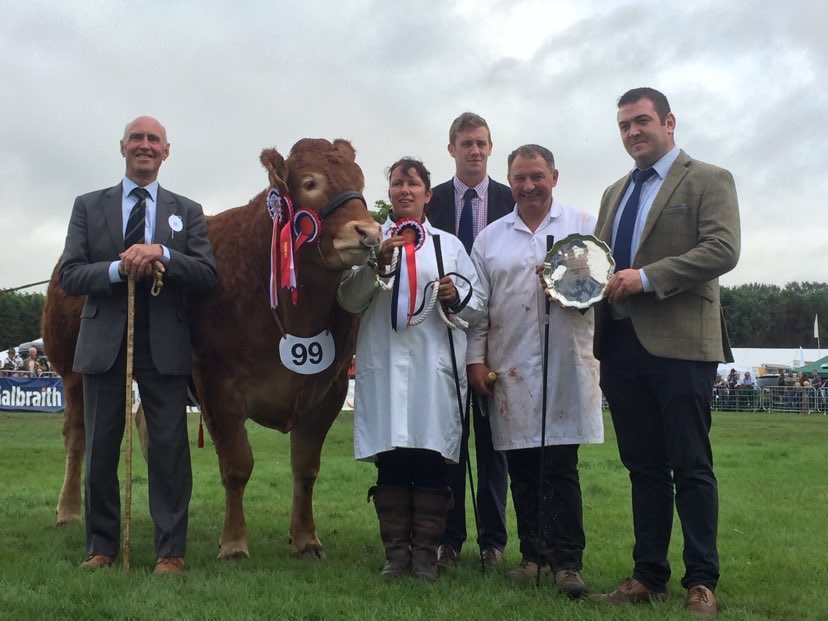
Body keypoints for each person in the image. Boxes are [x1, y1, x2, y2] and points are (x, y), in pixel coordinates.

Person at [593, 88, 740, 617]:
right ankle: (648, 576)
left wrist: (649, 277)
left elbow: (723, 248)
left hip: (682, 346)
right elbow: (602, 261)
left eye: (642, 121)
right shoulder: (613, 192)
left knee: (691, 465)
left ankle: (701, 581)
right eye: (624, 125)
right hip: (620, 345)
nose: (633, 132)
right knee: (643, 468)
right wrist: (569, 276)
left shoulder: (709, 179)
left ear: (669, 122)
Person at [59, 116, 217, 574]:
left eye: (153, 139)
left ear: (166, 151)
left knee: (169, 450)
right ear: (122, 147)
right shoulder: (88, 206)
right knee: (101, 448)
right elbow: (70, 274)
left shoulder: (187, 210)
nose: (144, 145)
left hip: (164, 343)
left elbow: (207, 274)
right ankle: (101, 547)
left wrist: (162, 253)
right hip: (103, 341)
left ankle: (170, 551)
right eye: (136, 138)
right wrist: (118, 268)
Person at [338, 158, 484, 582]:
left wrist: (456, 295)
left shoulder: (448, 246)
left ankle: (425, 557)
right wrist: (376, 266)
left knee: (431, 458)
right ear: (390, 193)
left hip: (432, 369)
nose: (405, 190)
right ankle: (396, 556)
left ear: (427, 194)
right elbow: (348, 299)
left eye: (413, 184)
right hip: (385, 365)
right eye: (398, 184)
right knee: (392, 459)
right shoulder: (370, 242)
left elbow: (477, 307)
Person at [467, 144, 603, 598]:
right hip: (511, 362)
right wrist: (476, 359)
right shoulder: (490, 238)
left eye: (537, 176)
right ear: (510, 182)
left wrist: (568, 282)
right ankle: (532, 555)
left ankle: (567, 562)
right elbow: (479, 308)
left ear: (554, 177)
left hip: (565, 359)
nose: (529, 186)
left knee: (561, 464)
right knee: (522, 464)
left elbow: (601, 288)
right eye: (520, 178)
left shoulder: (582, 227)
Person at [424, 112, 514, 568]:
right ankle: (449, 538)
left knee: (494, 445)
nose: (474, 151)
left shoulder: (512, 199)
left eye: (481, 143)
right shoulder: (431, 201)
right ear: (452, 149)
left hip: (498, 335)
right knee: (450, 444)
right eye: (466, 143)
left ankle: (493, 541)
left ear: (490, 147)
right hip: (440, 335)